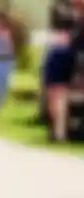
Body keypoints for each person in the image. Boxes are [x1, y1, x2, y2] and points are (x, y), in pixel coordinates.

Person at [44, 0, 80, 142]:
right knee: (58, 96)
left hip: (59, 56)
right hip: (63, 55)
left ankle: (59, 132)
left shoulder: (59, 36)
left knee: (57, 96)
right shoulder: (73, 21)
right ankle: (59, 131)